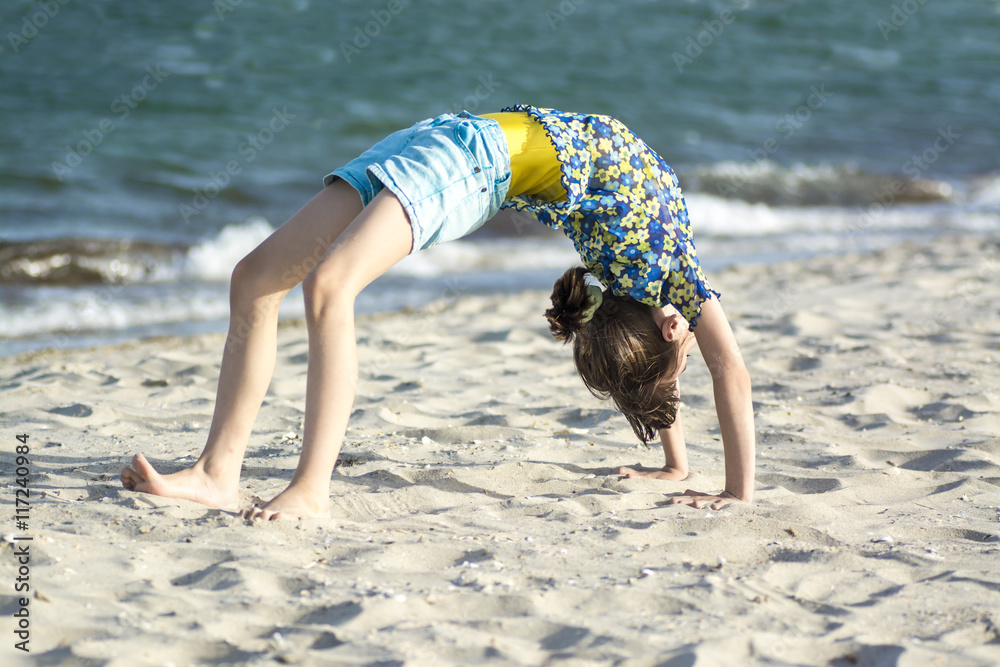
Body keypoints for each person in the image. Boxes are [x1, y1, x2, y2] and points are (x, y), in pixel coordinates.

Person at [120, 105, 755, 519]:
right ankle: (216, 473)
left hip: (466, 158)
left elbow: (645, 367)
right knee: (254, 278)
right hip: (442, 142)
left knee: (329, 290)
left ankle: (311, 489)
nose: (690, 352)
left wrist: (679, 461)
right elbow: (728, 372)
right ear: (672, 326)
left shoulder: (640, 293)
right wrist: (730, 489)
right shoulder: (669, 272)